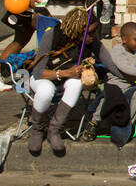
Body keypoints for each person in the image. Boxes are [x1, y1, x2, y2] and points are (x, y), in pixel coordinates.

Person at [80, 21, 136, 147]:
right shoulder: (117, 51)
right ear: (124, 39)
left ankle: (127, 125)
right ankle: (94, 123)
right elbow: (125, 68)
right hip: (113, 84)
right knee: (108, 95)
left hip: (129, 87)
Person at [25, 8, 100, 158]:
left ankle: (54, 130)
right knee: (46, 91)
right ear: (78, 30)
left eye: (95, 31)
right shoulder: (52, 35)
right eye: (90, 32)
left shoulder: (90, 41)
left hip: (65, 81)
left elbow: (111, 63)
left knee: (76, 84)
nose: (94, 35)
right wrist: (65, 73)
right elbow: (38, 72)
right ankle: (37, 129)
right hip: (44, 78)